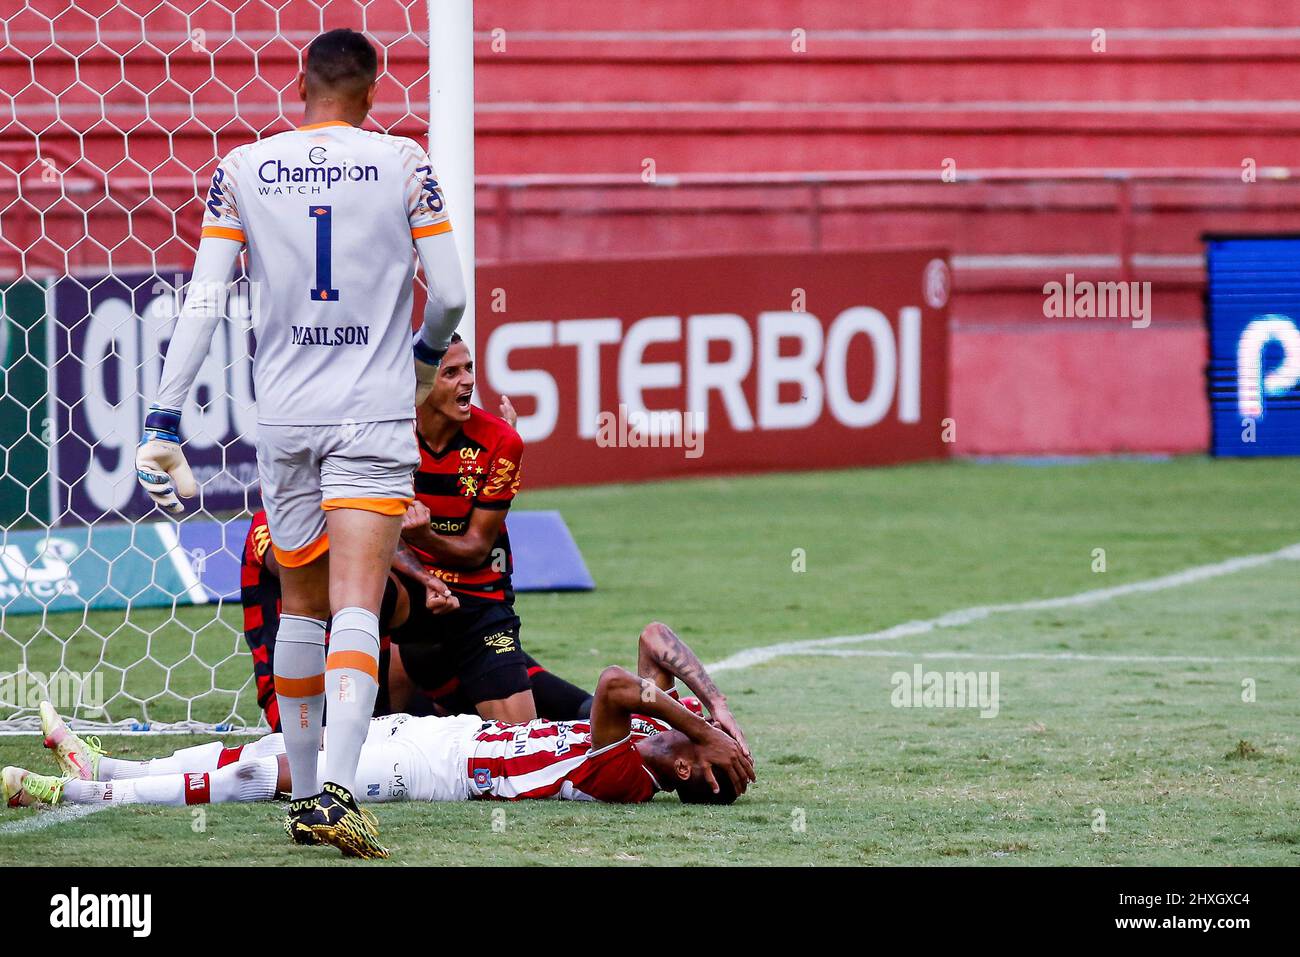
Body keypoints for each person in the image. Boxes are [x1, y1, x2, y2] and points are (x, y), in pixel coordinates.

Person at [133, 28, 466, 858]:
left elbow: (204, 300)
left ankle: (310, 786)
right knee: (359, 600)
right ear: (374, 91)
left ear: (301, 86)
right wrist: (423, 362)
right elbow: (452, 295)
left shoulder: (243, 168)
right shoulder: (403, 163)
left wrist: (164, 422)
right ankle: (337, 798)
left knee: (304, 605)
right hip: (369, 409)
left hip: (281, 417)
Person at [6, 624, 756, 847]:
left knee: (276, 781)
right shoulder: (661, 734)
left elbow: (614, 681)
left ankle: (73, 790)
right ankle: (107, 759)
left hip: (435, 771)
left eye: (690, 750)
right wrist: (719, 713)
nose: (676, 733)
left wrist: (702, 730)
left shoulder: (626, 776)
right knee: (274, 749)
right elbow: (653, 638)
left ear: (686, 773)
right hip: (442, 732)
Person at [389, 333, 544, 722]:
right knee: (357, 589)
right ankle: (325, 726)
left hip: (480, 602)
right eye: (451, 372)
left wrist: (423, 535)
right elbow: (376, 534)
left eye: (469, 368)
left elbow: (476, 548)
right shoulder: (389, 437)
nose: (468, 381)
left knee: (521, 740)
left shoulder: (500, 441)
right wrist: (424, 578)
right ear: (420, 383)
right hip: (417, 597)